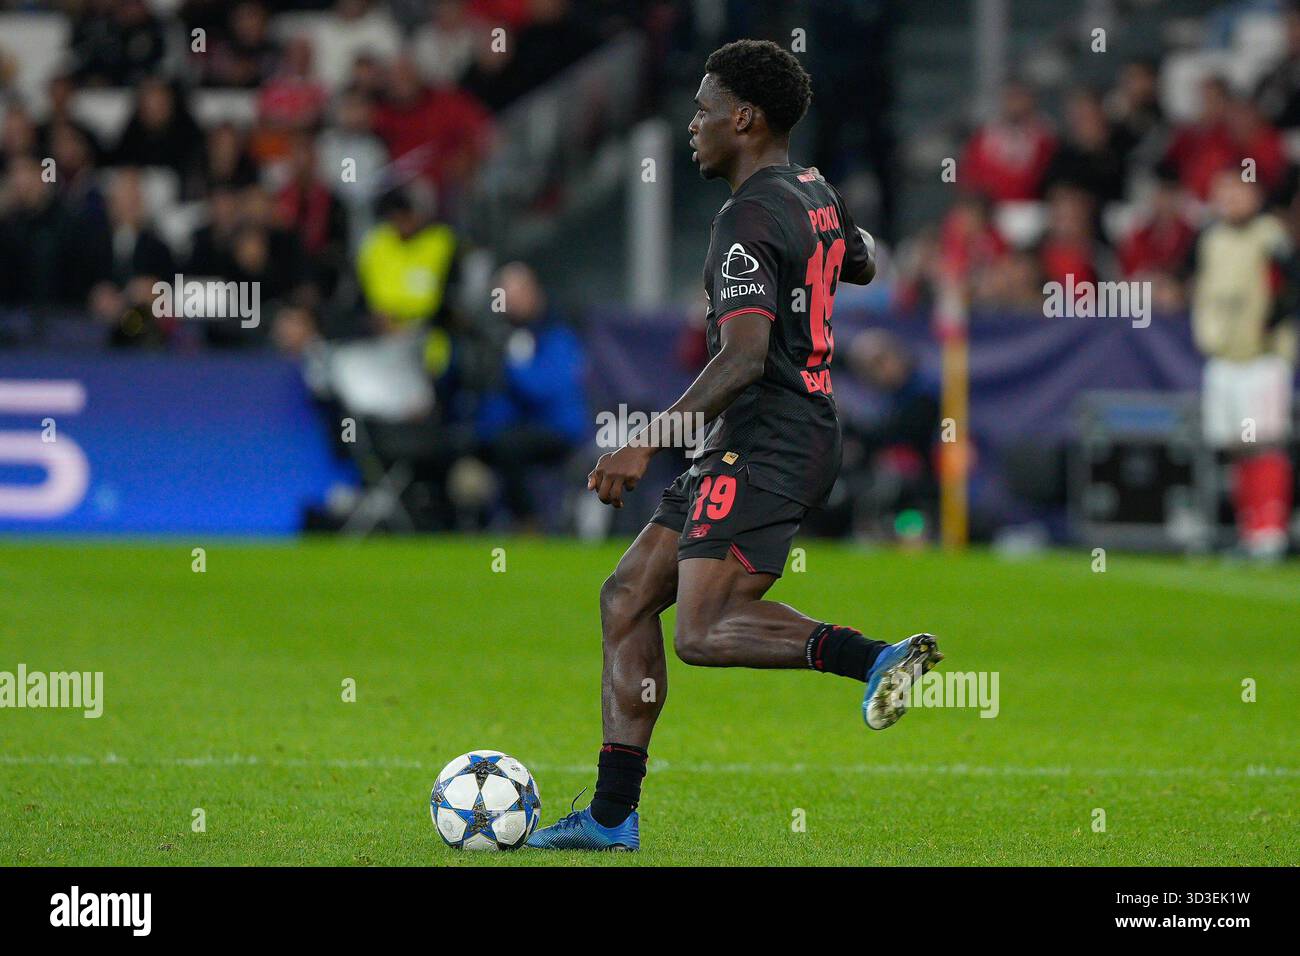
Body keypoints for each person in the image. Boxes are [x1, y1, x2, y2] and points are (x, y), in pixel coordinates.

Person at [526, 40, 942, 853]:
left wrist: (644, 442)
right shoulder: (811, 189)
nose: (693, 126)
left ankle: (873, 658)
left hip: (771, 436)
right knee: (627, 596)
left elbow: (745, 356)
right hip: (762, 432)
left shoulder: (746, 216)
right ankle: (612, 817)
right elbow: (855, 259)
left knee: (705, 630)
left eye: (705, 110)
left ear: (745, 119)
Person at [1192, 172, 1295, 561]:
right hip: (1224, 357)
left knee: (1263, 441)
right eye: (1224, 193)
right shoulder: (1212, 239)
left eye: (1238, 192)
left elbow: (1288, 285)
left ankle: (1269, 532)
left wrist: (1269, 326)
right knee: (1236, 445)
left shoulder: (1270, 237)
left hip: (1260, 359)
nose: (1230, 200)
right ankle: (1247, 527)